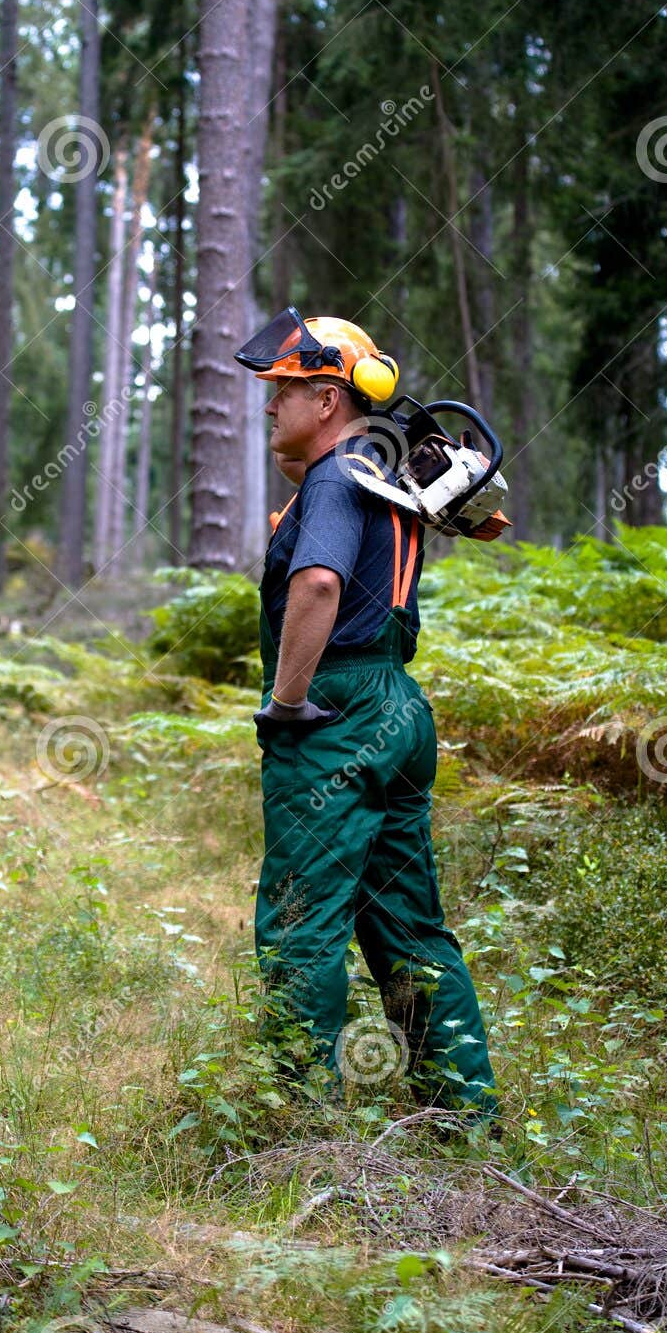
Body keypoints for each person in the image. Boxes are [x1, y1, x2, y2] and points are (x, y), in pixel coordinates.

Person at [236, 310, 498, 1119]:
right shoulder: (385, 480)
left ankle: (297, 1122)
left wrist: (287, 701)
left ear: (326, 398)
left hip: (336, 708)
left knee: (300, 922)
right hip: (396, 707)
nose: (268, 407)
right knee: (408, 927)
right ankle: (464, 1115)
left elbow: (317, 585)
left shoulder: (333, 480)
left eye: (281, 392)